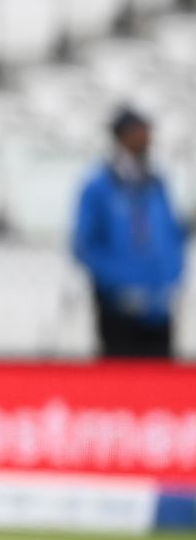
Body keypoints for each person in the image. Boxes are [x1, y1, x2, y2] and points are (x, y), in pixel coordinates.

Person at [72, 105, 186, 358]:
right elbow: (84, 244)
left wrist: (170, 280)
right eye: (139, 132)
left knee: (161, 388)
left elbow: (171, 235)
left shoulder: (156, 184)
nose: (146, 139)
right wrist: (120, 284)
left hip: (159, 309)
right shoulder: (99, 186)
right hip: (118, 311)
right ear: (122, 136)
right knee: (121, 387)